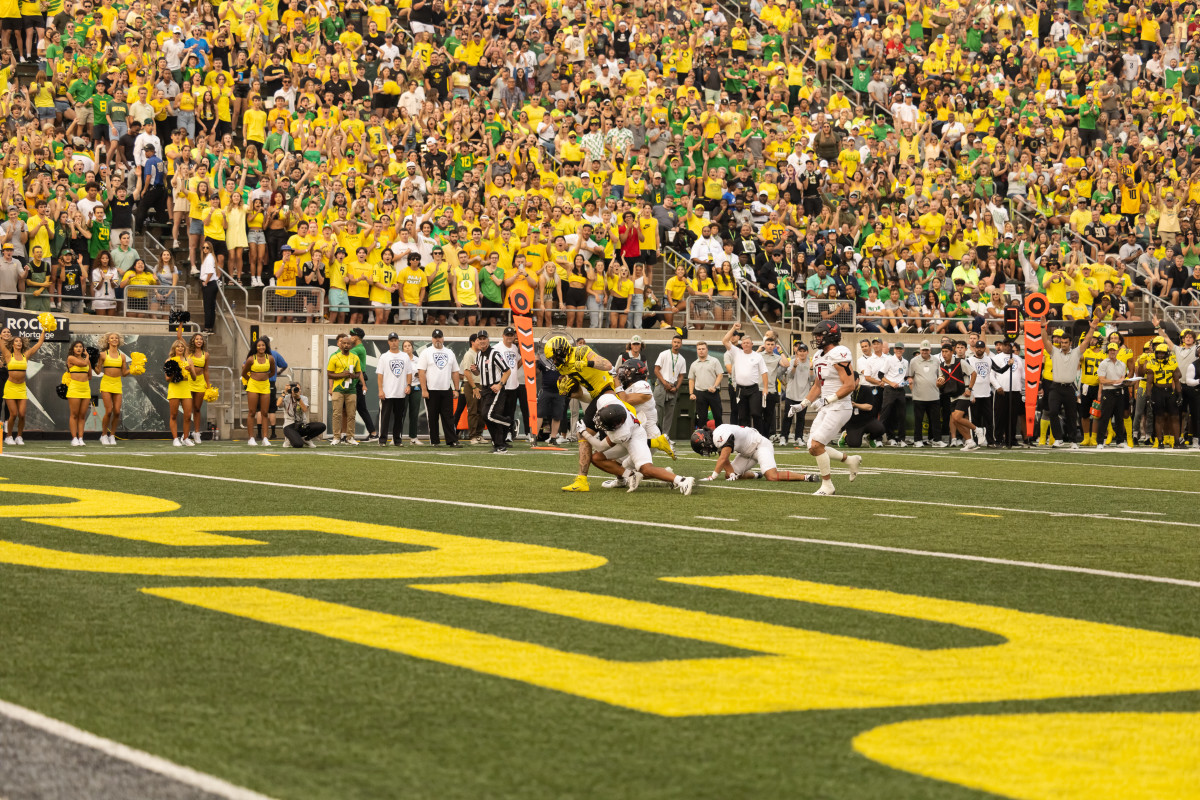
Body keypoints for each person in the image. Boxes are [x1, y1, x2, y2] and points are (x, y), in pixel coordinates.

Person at [788, 320, 862, 496]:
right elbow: (817, 386)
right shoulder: (820, 356)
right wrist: (802, 404)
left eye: (820, 335)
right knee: (812, 447)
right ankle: (849, 460)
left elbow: (850, 385)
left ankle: (827, 485)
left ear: (831, 336)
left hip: (840, 407)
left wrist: (827, 400)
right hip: (827, 406)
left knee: (816, 444)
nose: (817, 338)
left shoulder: (839, 353)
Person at [544, 332, 616, 492]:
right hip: (597, 396)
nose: (554, 362)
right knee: (600, 438)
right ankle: (586, 479)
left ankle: (584, 480)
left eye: (554, 358)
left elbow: (607, 365)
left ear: (561, 352)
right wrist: (568, 391)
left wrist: (585, 363)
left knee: (590, 435)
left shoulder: (581, 351)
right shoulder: (563, 367)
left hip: (608, 390)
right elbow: (580, 394)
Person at [586, 394, 695, 495]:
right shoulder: (606, 399)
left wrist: (584, 433)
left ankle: (682, 480)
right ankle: (625, 478)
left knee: (645, 469)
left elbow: (600, 446)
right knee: (597, 458)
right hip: (627, 435)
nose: (600, 422)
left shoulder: (620, 433)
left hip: (634, 438)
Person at [692, 424, 818, 482]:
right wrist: (731, 474)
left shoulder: (720, 435)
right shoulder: (718, 436)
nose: (707, 450)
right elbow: (724, 459)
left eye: (705, 448)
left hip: (760, 446)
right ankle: (756, 475)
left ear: (706, 439)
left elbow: (724, 457)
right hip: (747, 454)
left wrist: (712, 476)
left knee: (772, 476)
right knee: (730, 475)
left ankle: (805, 477)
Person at [616, 358, 675, 459]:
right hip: (635, 433)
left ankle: (670, 474)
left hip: (648, 434)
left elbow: (625, 400)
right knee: (618, 464)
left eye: (627, 371)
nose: (624, 374)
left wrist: (615, 383)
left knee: (628, 466)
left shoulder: (642, 385)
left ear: (636, 373)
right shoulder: (625, 388)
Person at [0, 328, 44, 445]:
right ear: (12, 344)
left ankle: (19, 436)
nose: (19, 343)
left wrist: (44, 331)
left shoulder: (26, 355)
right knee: (13, 414)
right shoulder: (8, 355)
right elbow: (1, 344)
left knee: (22, 414)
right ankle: (9, 436)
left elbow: (39, 344)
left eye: (20, 341)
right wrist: (2, 335)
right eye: (16, 341)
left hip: (21, 387)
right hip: (10, 387)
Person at [417, 328, 461, 447]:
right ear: (432, 339)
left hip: (446, 389)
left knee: (448, 417)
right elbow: (421, 372)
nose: (438, 340)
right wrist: (424, 389)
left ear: (443, 338)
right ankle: (434, 441)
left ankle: (451, 440)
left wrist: (456, 389)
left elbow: (455, 371)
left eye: (439, 337)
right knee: (433, 417)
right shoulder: (426, 352)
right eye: (435, 337)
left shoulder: (449, 352)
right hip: (431, 389)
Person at [721, 323, 769, 430]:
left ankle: (758, 436)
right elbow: (724, 341)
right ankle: (745, 438)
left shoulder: (757, 356)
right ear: (741, 345)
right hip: (740, 389)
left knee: (756, 413)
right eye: (744, 343)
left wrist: (765, 388)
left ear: (752, 344)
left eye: (748, 343)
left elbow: (764, 372)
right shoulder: (736, 352)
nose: (746, 344)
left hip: (753, 389)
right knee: (742, 416)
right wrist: (733, 328)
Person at [474, 330, 513, 453]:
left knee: (488, 415)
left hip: (495, 389)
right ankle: (499, 445)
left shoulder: (495, 354)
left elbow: (507, 371)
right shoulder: (479, 355)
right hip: (485, 389)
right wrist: (475, 370)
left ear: (488, 340)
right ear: (477, 341)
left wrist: (500, 385)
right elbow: (480, 373)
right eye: (480, 339)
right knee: (487, 418)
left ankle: (510, 423)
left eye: (484, 338)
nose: (482, 341)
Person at [377, 332, 415, 447]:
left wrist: (408, 385)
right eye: (391, 340)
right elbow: (380, 374)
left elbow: (409, 372)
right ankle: (382, 440)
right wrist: (380, 390)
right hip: (387, 392)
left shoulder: (404, 356)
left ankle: (397, 440)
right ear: (388, 342)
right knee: (385, 418)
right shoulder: (384, 356)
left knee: (399, 418)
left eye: (395, 340)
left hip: (400, 392)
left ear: (398, 341)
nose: (394, 342)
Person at [327, 333, 364, 445]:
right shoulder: (334, 357)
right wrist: (342, 375)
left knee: (351, 414)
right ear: (340, 345)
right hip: (338, 389)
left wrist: (354, 376)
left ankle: (350, 437)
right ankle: (336, 437)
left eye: (348, 343)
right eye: (344, 343)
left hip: (351, 389)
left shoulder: (355, 357)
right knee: (337, 413)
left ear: (351, 345)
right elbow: (329, 374)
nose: (346, 345)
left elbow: (358, 373)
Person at [1096, 343, 1133, 451]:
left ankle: (1120, 441)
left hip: (1119, 391)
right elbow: (1101, 380)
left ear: (1117, 351)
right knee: (1104, 417)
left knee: (1119, 417)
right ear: (1108, 351)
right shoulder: (1103, 363)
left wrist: (1126, 382)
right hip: (1108, 392)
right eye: (1110, 350)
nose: (1112, 352)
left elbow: (1122, 378)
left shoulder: (1122, 364)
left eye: (1114, 350)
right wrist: (1115, 381)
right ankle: (1099, 441)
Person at [241, 338, 276, 446]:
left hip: (265, 385)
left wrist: (264, 378)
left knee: (265, 412)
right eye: (259, 345)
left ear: (266, 347)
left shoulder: (270, 358)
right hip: (253, 386)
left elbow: (272, 372)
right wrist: (253, 379)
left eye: (263, 345)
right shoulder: (251, 359)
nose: (261, 347)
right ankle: (251, 438)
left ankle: (265, 438)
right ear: (255, 347)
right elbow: (244, 373)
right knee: (252, 411)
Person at [652, 333, 687, 441]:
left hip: (672, 387)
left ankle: (665, 436)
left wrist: (677, 387)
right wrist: (664, 383)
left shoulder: (682, 359)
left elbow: (681, 376)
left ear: (681, 344)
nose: (676, 344)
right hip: (662, 385)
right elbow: (656, 370)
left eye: (678, 343)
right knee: (656, 410)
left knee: (669, 414)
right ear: (672, 343)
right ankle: (654, 435)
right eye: (675, 342)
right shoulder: (664, 354)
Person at [909, 341, 943, 447]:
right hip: (919, 396)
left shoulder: (936, 361)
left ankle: (936, 440)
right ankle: (917, 440)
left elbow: (940, 376)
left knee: (935, 420)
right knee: (918, 420)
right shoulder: (914, 361)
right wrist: (913, 391)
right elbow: (910, 377)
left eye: (926, 350)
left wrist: (940, 382)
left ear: (930, 350)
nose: (924, 352)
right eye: (923, 350)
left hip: (934, 396)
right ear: (920, 350)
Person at [348, 328, 378, 442]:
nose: (350, 337)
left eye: (352, 335)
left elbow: (347, 356)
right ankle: (373, 433)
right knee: (360, 408)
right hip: (357, 380)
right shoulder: (358, 348)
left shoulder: (358, 349)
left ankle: (347, 435)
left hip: (357, 381)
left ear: (357, 337)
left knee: (357, 408)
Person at [97, 332, 128, 446]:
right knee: (109, 410)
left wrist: (134, 369)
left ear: (118, 341)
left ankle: (112, 435)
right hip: (106, 382)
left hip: (117, 383)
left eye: (116, 338)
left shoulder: (122, 356)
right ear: (108, 341)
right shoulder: (103, 355)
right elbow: (98, 370)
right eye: (112, 338)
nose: (114, 339)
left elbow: (124, 373)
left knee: (117, 411)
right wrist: (92, 365)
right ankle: (104, 435)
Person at [688, 341, 725, 432]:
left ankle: (720, 436)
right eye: (699, 349)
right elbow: (691, 379)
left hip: (713, 392)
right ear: (697, 351)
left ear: (707, 350)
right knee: (702, 418)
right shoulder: (694, 364)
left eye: (703, 349)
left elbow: (720, 375)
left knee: (718, 416)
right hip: (700, 393)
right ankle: (703, 438)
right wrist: (691, 393)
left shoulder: (714, 361)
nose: (701, 351)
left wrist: (714, 386)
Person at [781, 341, 812, 446]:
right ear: (797, 352)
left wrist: (812, 368)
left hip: (804, 396)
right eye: (800, 351)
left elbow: (812, 379)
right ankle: (783, 437)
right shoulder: (792, 361)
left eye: (804, 351)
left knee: (801, 418)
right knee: (787, 417)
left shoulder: (810, 363)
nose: (802, 353)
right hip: (791, 394)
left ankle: (799, 437)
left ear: (807, 352)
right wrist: (794, 366)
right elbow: (790, 375)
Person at [167, 339, 196, 447]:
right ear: (174, 349)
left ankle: (185, 438)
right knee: (174, 415)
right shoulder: (169, 361)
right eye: (178, 346)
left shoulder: (189, 360)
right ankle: (175, 438)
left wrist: (190, 370)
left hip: (185, 387)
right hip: (174, 387)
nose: (180, 348)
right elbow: (167, 379)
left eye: (182, 346)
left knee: (188, 415)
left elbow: (193, 377)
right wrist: (175, 372)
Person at [64, 339, 93, 447]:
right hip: (74, 388)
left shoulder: (87, 361)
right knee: (74, 414)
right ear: (73, 348)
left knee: (82, 415)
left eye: (81, 346)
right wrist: (88, 357)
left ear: (83, 348)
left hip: (85, 388)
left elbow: (90, 376)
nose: (79, 348)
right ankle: (74, 438)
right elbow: (83, 363)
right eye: (76, 347)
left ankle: (81, 438)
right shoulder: (71, 358)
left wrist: (87, 360)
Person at [280, 382, 326, 448]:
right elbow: (278, 404)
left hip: (301, 425)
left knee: (322, 426)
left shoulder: (304, 398)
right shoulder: (287, 397)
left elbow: (304, 410)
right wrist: (284, 392)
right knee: (298, 445)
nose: (296, 390)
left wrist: (298, 398)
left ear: (300, 390)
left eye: (298, 389)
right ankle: (289, 438)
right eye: (295, 389)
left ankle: (306, 439)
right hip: (289, 426)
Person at [187, 332, 210, 445]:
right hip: (188, 381)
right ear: (193, 341)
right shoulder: (188, 352)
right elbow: (179, 337)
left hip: (200, 382)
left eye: (201, 339)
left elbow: (206, 370)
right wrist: (181, 323)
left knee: (197, 408)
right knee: (187, 409)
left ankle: (196, 433)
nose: (199, 341)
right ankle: (186, 434)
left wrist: (208, 385)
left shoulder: (206, 354)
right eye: (197, 339)